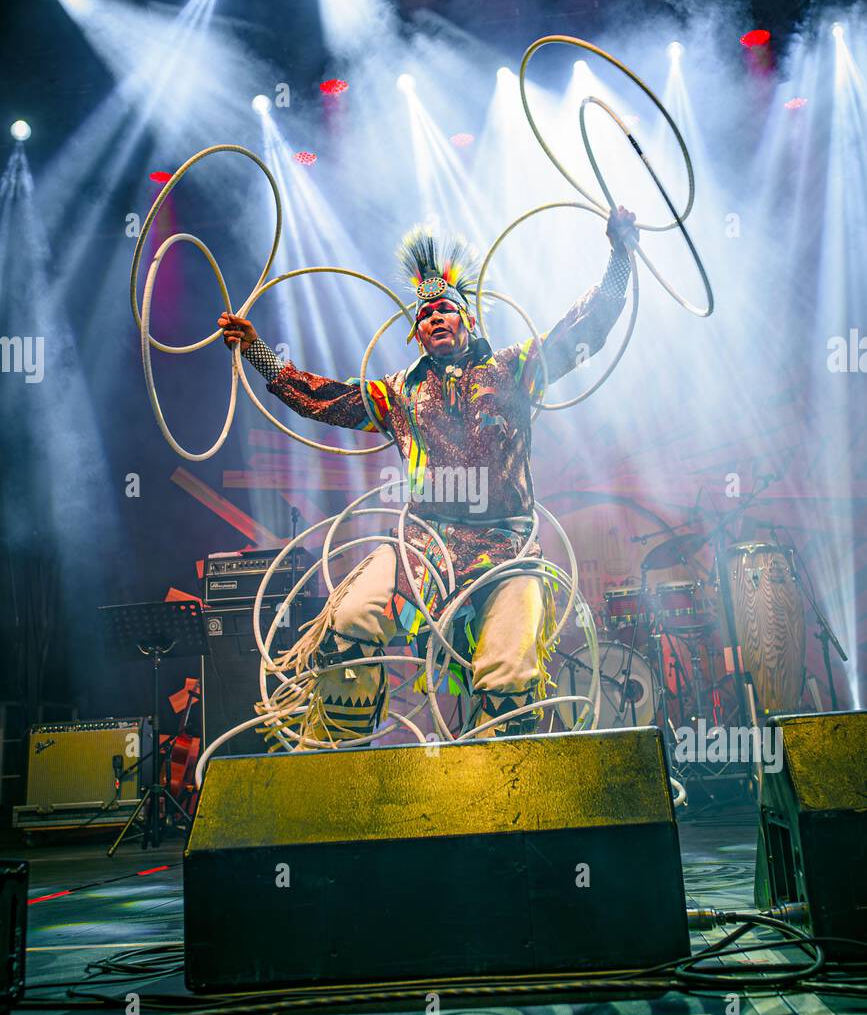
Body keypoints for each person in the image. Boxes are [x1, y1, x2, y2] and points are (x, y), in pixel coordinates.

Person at [218, 205, 638, 745]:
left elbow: (585, 329)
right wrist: (257, 351)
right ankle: (345, 762)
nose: (436, 318)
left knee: (510, 677)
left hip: (505, 547)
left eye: (446, 310)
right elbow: (320, 399)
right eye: (426, 315)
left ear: (466, 320)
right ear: (417, 333)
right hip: (423, 547)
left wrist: (620, 259)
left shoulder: (513, 370)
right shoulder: (397, 394)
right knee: (350, 619)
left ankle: (500, 798)